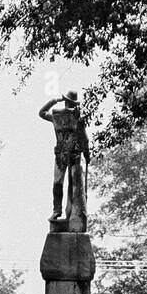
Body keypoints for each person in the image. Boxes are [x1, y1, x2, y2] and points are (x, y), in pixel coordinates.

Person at [38, 90, 90, 230]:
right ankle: (59, 211)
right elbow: (85, 139)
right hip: (67, 155)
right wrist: (87, 153)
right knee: (67, 185)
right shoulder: (70, 117)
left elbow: (42, 113)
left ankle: (63, 212)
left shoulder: (64, 116)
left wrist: (55, 100)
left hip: (66, 154)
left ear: (65, 101)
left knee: (62, 184)